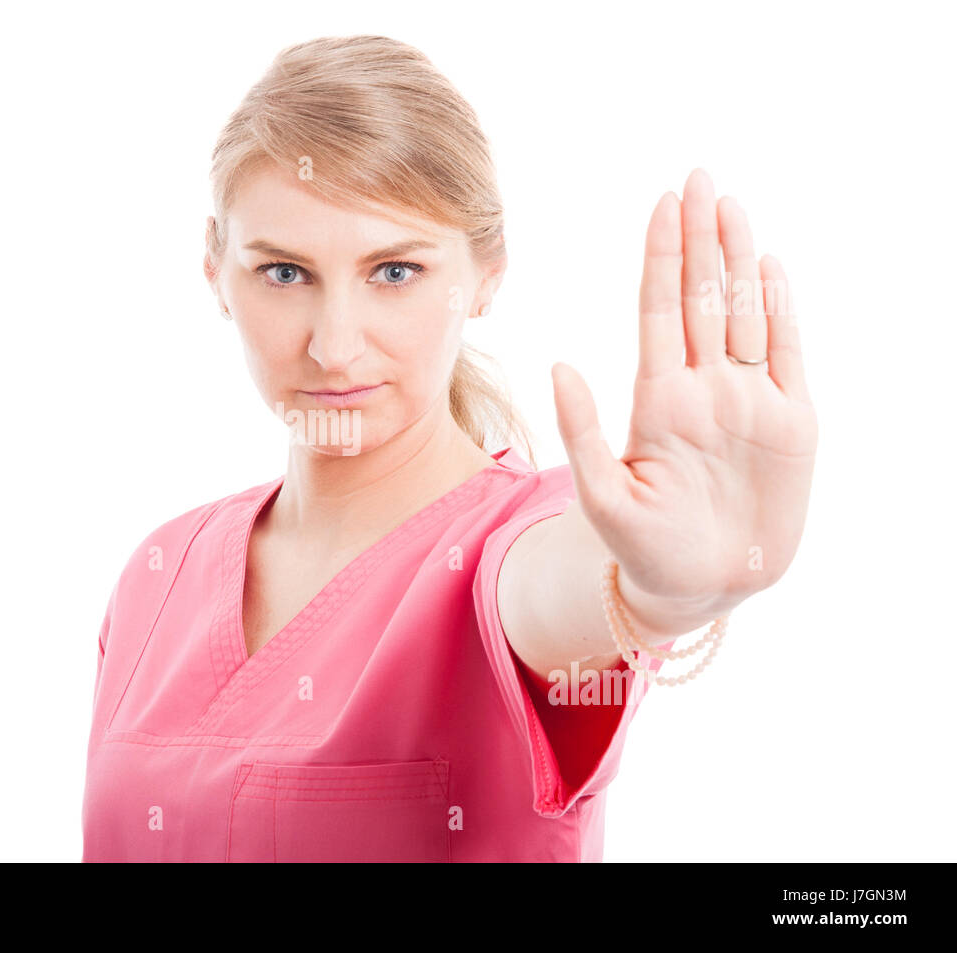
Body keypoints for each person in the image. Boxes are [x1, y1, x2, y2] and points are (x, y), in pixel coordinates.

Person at [80, 35, 817, 862]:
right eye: (284, 272)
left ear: (487, 273)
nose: (335, 347)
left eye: (394, 271)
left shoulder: (515, 548)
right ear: (215, 267)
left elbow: (567, 596)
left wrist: (665, 591)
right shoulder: (160, 571)